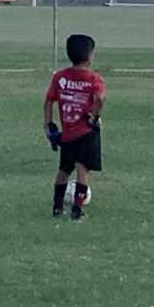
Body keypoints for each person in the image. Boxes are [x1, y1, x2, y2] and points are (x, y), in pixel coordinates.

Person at [45, 33, 106, 220]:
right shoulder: (94, 79)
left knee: (64, 170)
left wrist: (48, 125)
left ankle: (57, 207)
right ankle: (77, 210)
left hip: (67, 133)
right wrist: (94, 116)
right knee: (83, 169)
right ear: (89, 56)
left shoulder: (60, 77)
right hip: (86, 132)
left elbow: (48, 101)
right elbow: (100, 98)